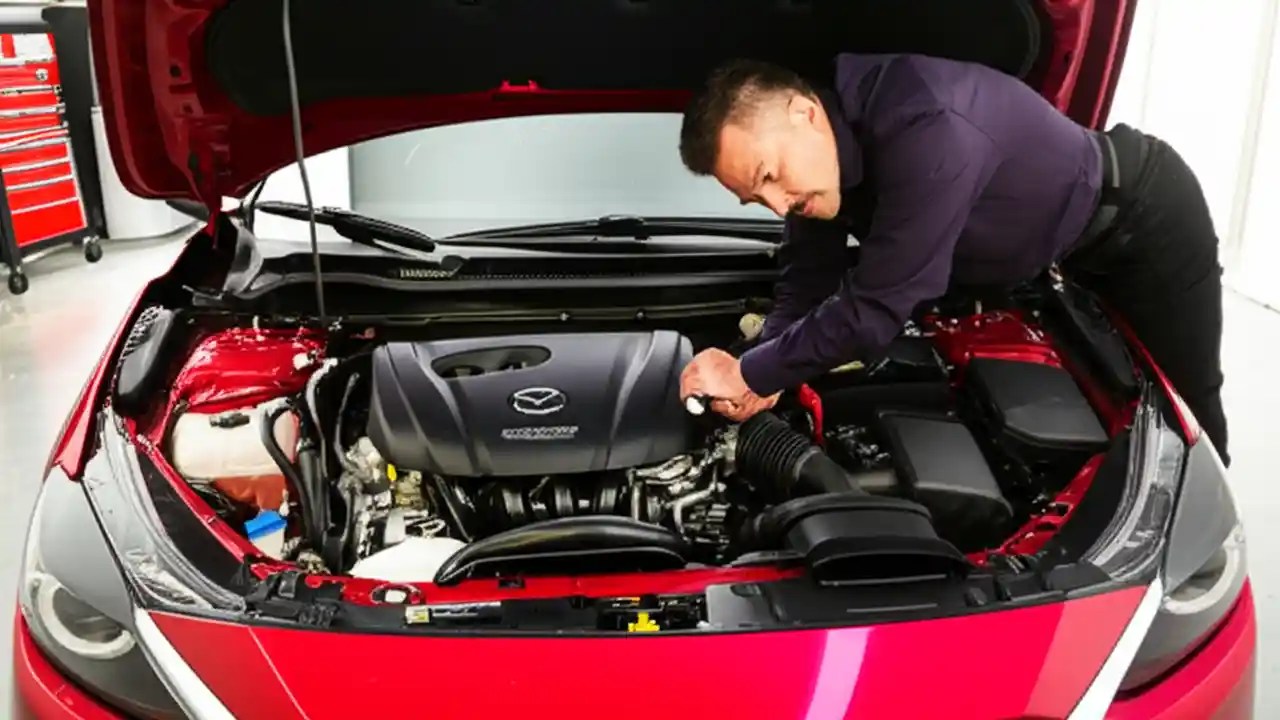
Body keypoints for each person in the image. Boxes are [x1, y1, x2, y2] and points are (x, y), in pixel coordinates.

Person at [675, 53, 1230, 466]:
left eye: (769, 177)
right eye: (756, 199)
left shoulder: (926, 125)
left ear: (803, 113)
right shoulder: (815, 168)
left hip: (1141, 221)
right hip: (1044, 258)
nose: (777, 204)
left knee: (1189, 419)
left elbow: (876, 307)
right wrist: (768, 359)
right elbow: (807, 278)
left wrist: (750, 369)